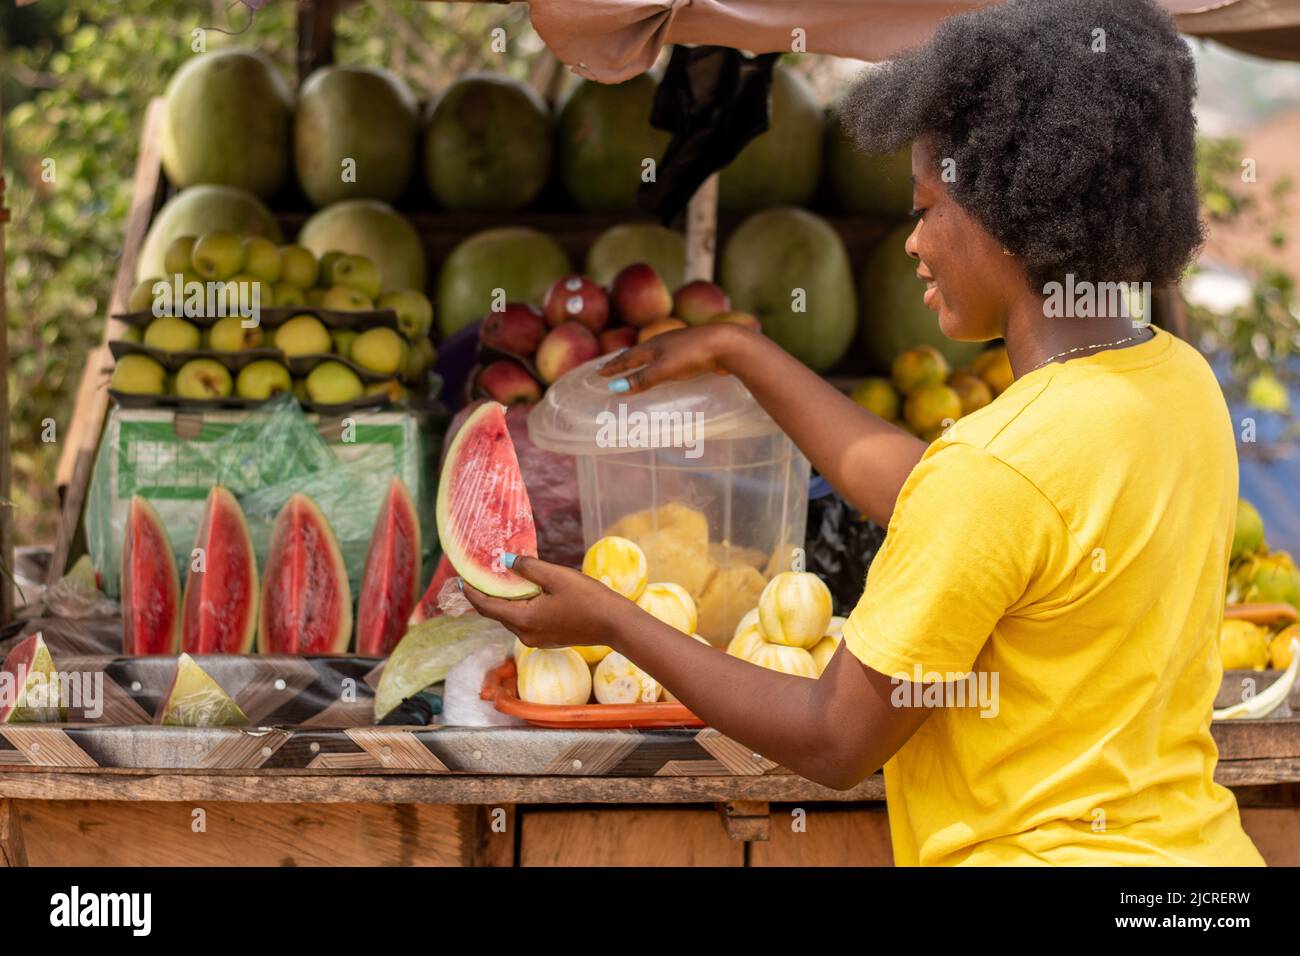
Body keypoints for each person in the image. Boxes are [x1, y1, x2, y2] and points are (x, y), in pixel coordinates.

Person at [465, 0, 1265, 866]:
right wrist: (746, 352)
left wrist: (616, 624)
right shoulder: (1178, 383)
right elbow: (958, 503)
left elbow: (834, 739)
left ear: (1012, 215)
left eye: (927, 209)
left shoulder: (996, 473)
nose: (914, 244)